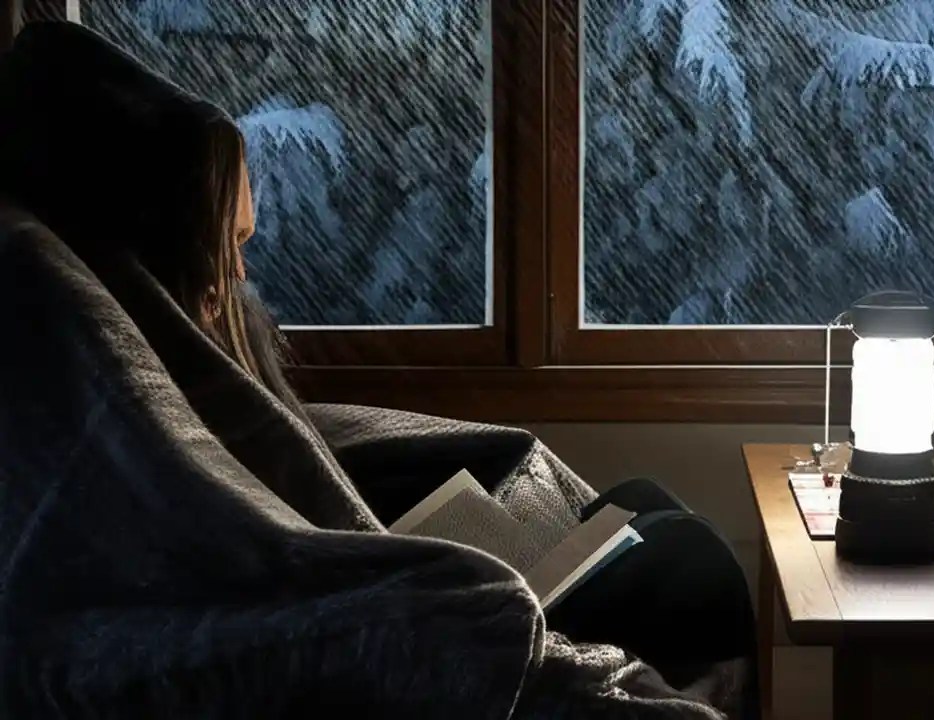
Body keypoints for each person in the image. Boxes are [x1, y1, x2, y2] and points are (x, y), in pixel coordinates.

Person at [0, 20, 755, 719]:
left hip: (384, 564)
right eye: (222, 246)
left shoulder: (165, 360)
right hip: (394, 602)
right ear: (152, 248)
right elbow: (265, 556)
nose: (235, 273)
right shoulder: (120, 406)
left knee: (641, 505)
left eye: (244, 241)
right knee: (691, 564)